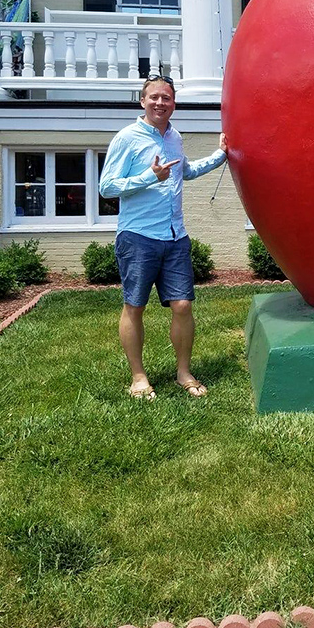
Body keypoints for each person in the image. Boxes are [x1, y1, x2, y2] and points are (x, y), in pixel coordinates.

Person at [99, 73, 227, 401]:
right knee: (135, 306)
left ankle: (183, 372)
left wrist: (221, 155)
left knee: (183, 305)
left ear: (173, 103)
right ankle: (138, 377)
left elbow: (185, 171)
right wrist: (148, 177)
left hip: (175, 236)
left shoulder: (175, 137)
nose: (160, 102)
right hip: (138, 236)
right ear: (143, 101)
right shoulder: (127, 138)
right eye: (154, 97)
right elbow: (107, 187)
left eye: (166, 98)